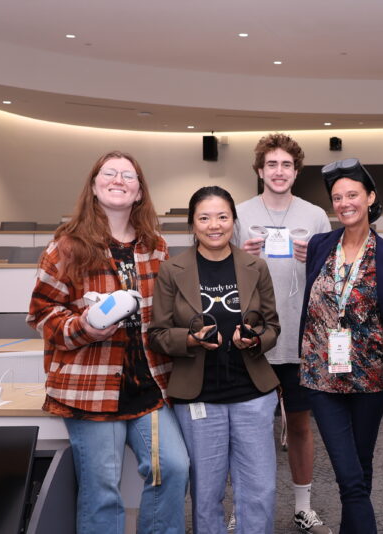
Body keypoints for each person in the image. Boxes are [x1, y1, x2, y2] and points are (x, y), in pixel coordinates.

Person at [27, 150, 189, 534]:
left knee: (174, 467)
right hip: (90, 388)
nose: (119, 180)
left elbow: (167, 312)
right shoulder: (66, 246)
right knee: (102, 489)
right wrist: (85, 326)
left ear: (139, 193)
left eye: (128, 176)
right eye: (110, 173)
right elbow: (42, 314)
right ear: (95, 186)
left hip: (148, 385)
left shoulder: (156, 247)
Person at [148, 186, 280, 534]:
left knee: (259, 491)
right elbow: (158, 334)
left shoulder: (256, 267)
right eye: (204, 218)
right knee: (206, 495)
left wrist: (254, 340)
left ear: (234, 221)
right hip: (199, 398)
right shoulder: (172, 270)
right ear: (192, 224)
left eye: (222, 216)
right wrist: (191, 340)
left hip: (252, 393)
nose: (214, 225)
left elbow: (272, 327)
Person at [299, 158, 383, 534]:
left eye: (353, 195)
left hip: (370, 378)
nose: (345, 203)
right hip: (320, 376)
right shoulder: (319, 246)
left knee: (360, 467)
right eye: (337, 197)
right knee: (349, 475)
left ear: (370, 198)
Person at [234, 133, 332, 533]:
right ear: (259, 170)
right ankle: (243, 510)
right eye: (271, 164)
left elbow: (332, 280)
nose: (279, 171)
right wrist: (242, 257)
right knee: (248, 429)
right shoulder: (237, 214)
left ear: (296, 171)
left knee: (300, 425)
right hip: (251, 340)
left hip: (299, 337)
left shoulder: (315, 216)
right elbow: (218, 272)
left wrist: (316, 261)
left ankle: (303, 506)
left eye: (286, 165)